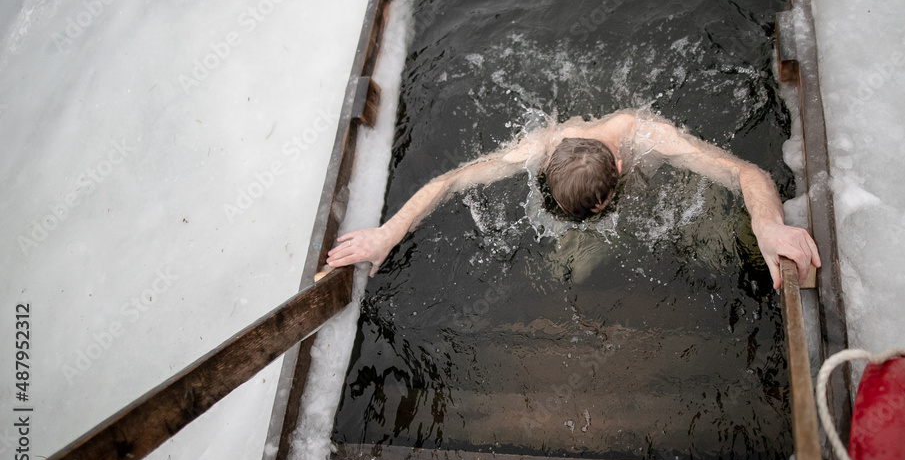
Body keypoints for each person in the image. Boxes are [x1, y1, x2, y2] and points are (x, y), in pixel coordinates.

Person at [325, 109, 820, 289]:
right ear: (548, 165)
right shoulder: (536, 147)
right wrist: (388, 232)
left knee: (720, 245)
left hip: (665, 189)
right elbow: (451, 181)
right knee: (567, 275)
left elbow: (744, 171)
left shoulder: (648, 136)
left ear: (622, 167)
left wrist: (767, 224)